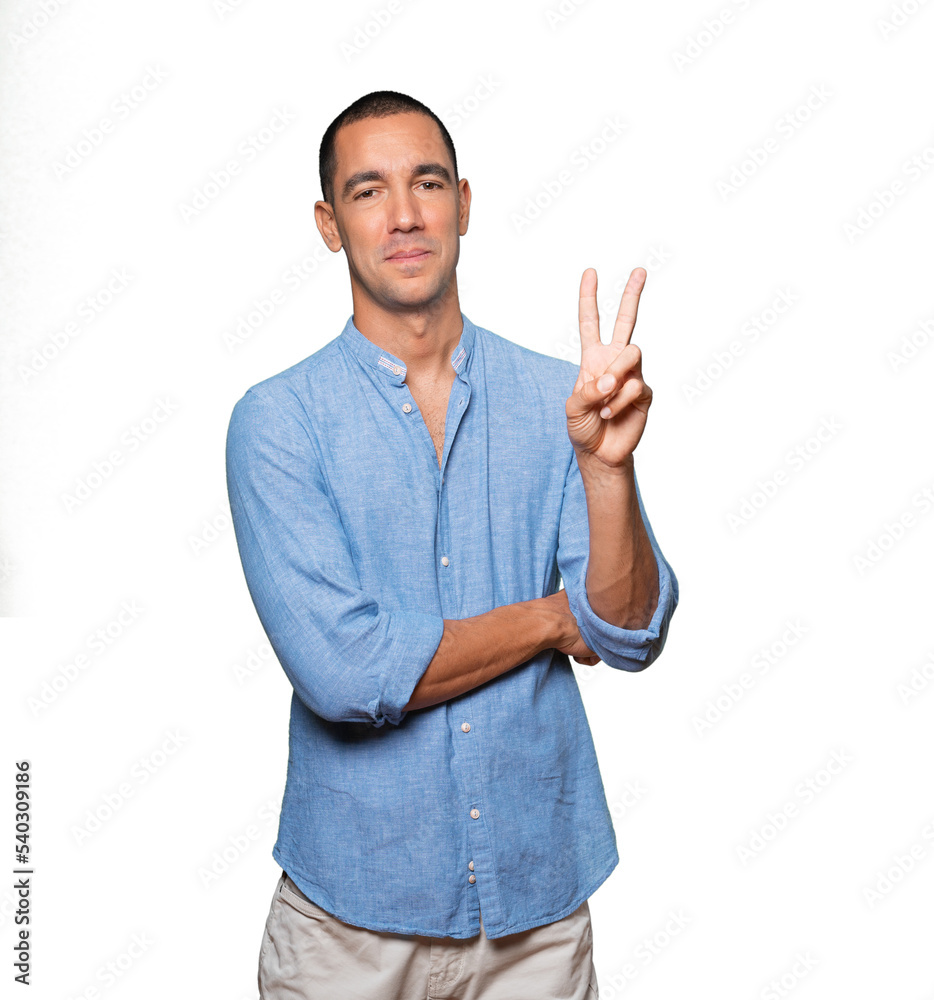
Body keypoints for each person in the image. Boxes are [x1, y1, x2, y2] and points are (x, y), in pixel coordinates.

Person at [225, 89, 679, 1000]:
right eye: (367, 191)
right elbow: (350, 676)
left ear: (463, 204)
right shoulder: (278, 424)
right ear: (328, 222)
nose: (403, 215)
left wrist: (604, 472)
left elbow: (626, 634)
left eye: (426, 183)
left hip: (538, 918)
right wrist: (554, 617)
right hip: (348, 930)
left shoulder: (564, 402)